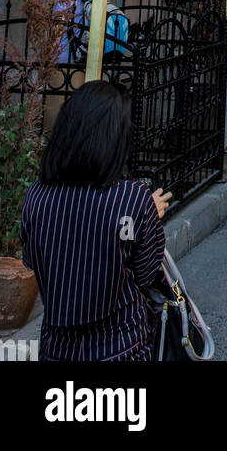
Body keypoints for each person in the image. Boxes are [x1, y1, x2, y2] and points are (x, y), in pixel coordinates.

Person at [20, 81, 171, 361]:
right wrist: (148, 214)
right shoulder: (133, 198)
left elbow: (31, 261)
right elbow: (146, 275)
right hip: (122, 348)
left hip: (56, 351)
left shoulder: (35, 197)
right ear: (115, 140)